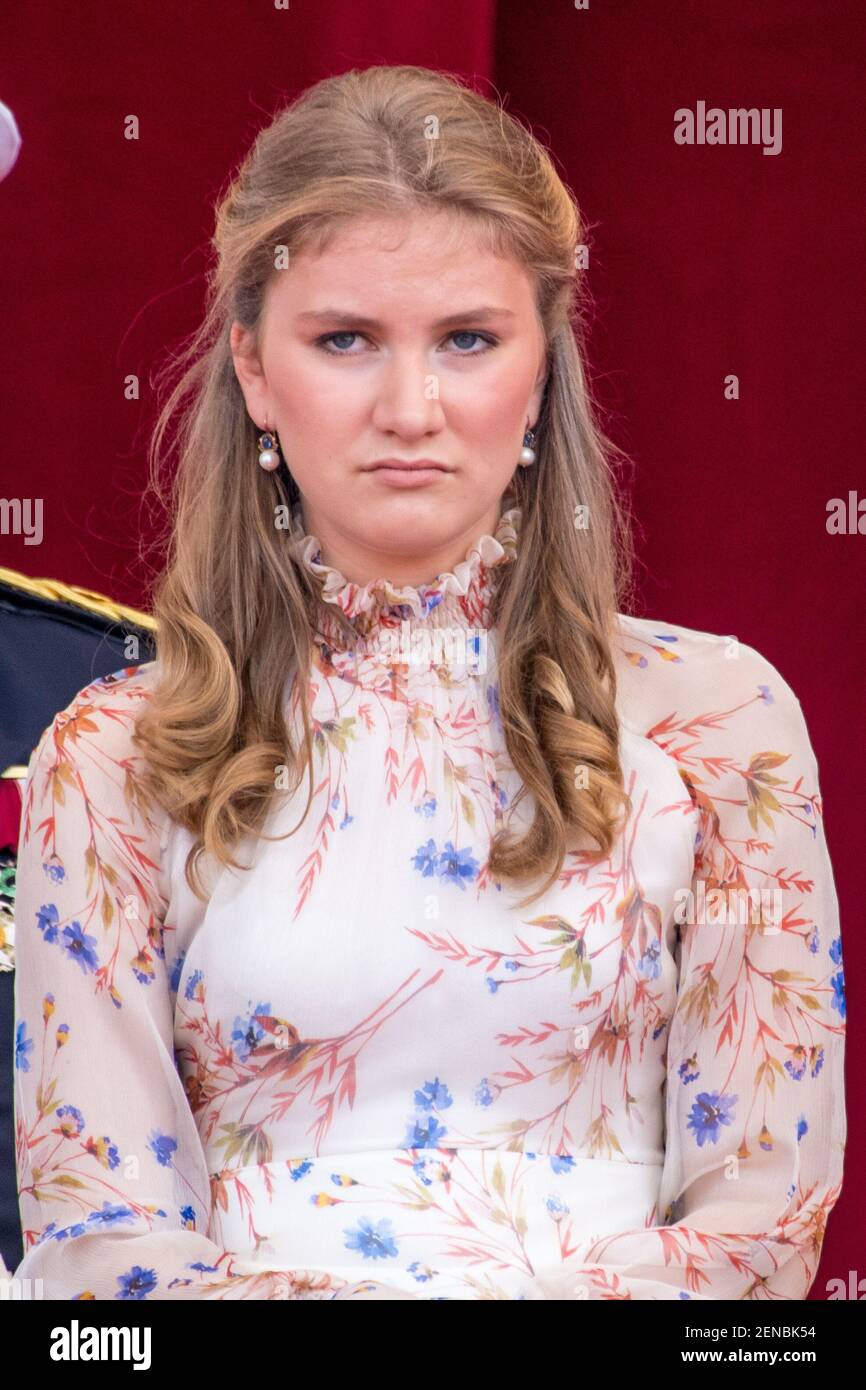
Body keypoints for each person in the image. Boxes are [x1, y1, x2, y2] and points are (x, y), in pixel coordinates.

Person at [12, 63, 845, 1301]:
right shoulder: (119, 752)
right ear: (251, 367)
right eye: (345, 340)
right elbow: (100, 1252)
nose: (412, 407)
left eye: (466, 339)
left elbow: (763, 1225)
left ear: (540, 364)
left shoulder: (722, 719)